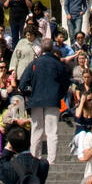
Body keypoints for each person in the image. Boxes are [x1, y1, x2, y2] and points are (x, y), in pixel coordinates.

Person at [18, 37, 72, 165]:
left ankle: (34, 157)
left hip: (36, 99)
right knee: (51, 131)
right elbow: (66, 83)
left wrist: (29, 93)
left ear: (41, 48)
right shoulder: (58, 64)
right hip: (53, 100)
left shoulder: (35, 63)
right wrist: (59, 94)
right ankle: (51, 160)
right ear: (52, 49)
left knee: (37, 129)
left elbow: (23, 83)